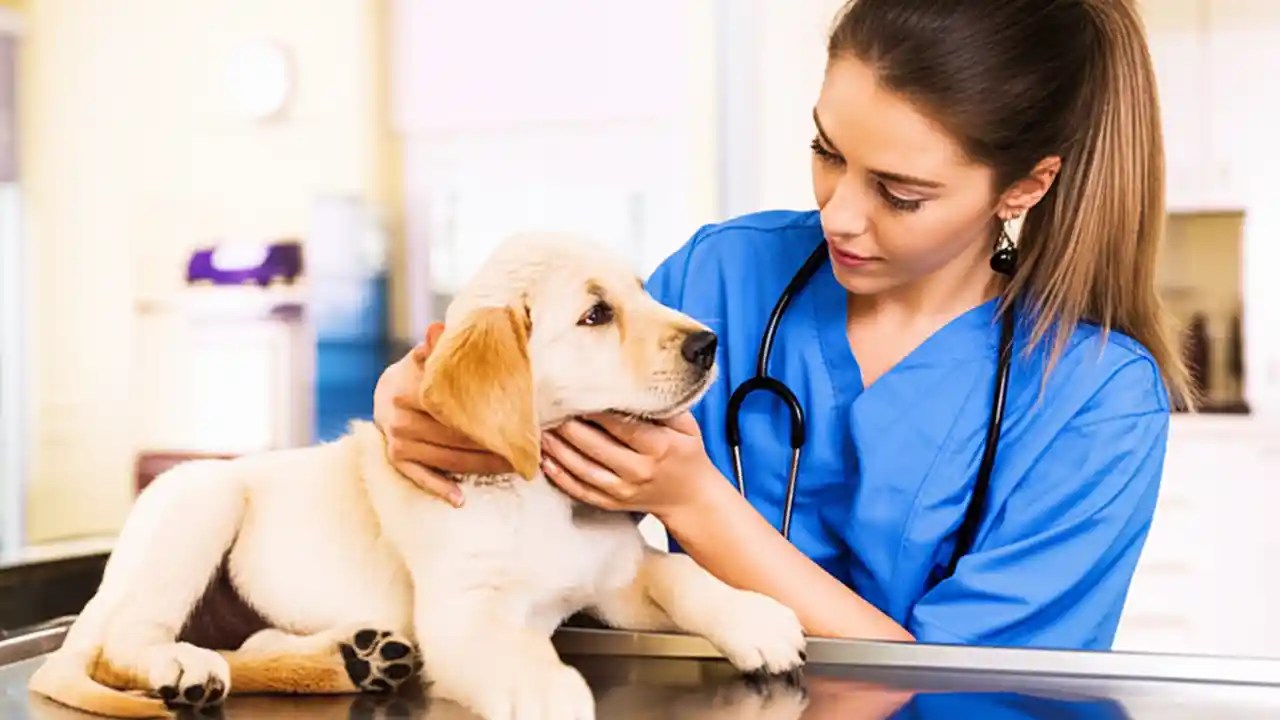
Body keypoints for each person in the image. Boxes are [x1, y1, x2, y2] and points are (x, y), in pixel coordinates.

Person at [371, 0, 1192, 651]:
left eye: (900, 193)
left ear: (1025, 186)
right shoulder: (724, 276)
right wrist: (415, 398)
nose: (839, 214)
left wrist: (697, 503)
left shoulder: (1094, 400)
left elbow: (965, 689)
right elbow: (532, 485)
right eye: (826, 151)